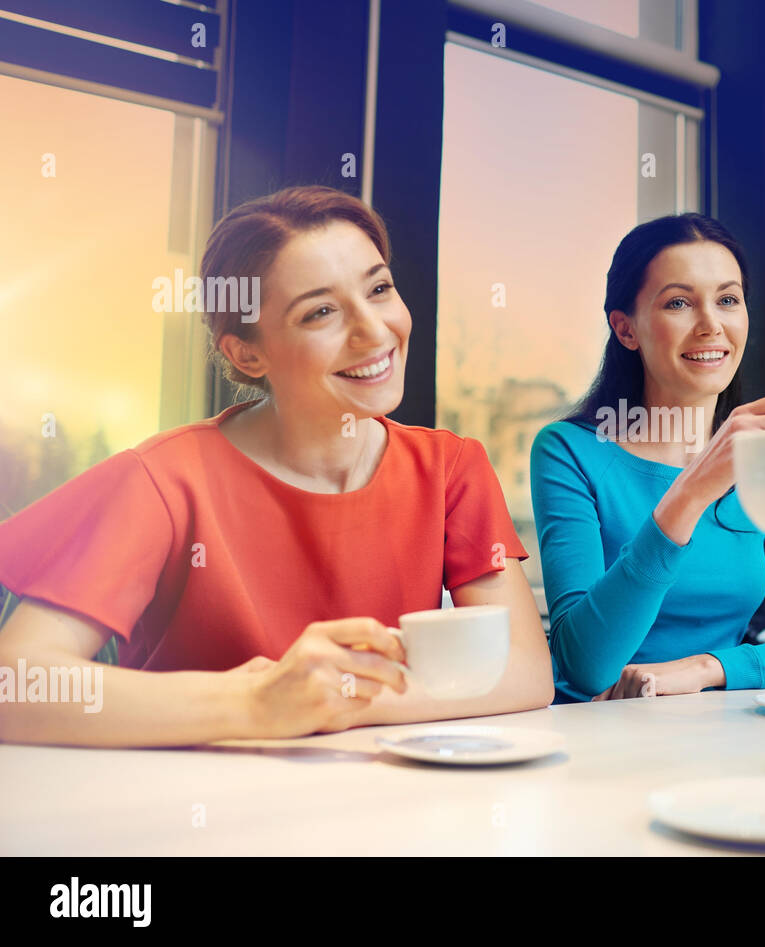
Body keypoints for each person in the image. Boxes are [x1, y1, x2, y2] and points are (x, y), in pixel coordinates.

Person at [0, 186, 553, 747]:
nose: (374, 331)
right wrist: (255, 704)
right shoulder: (164, 479)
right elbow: (15, 684)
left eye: (379, 288)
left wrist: (331, 701)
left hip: (385, 811)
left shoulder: (450, 468)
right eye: (320, 312)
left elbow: (526, 671)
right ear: (247, 353)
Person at [531, 214, 765, 703]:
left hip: (719, 736)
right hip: (597, 737)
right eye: (679, 302)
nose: (711, 325)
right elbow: (587, 666)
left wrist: (706, 668)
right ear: (626, 328)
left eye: (728, 300)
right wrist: (692, 490)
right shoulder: (569, 451)